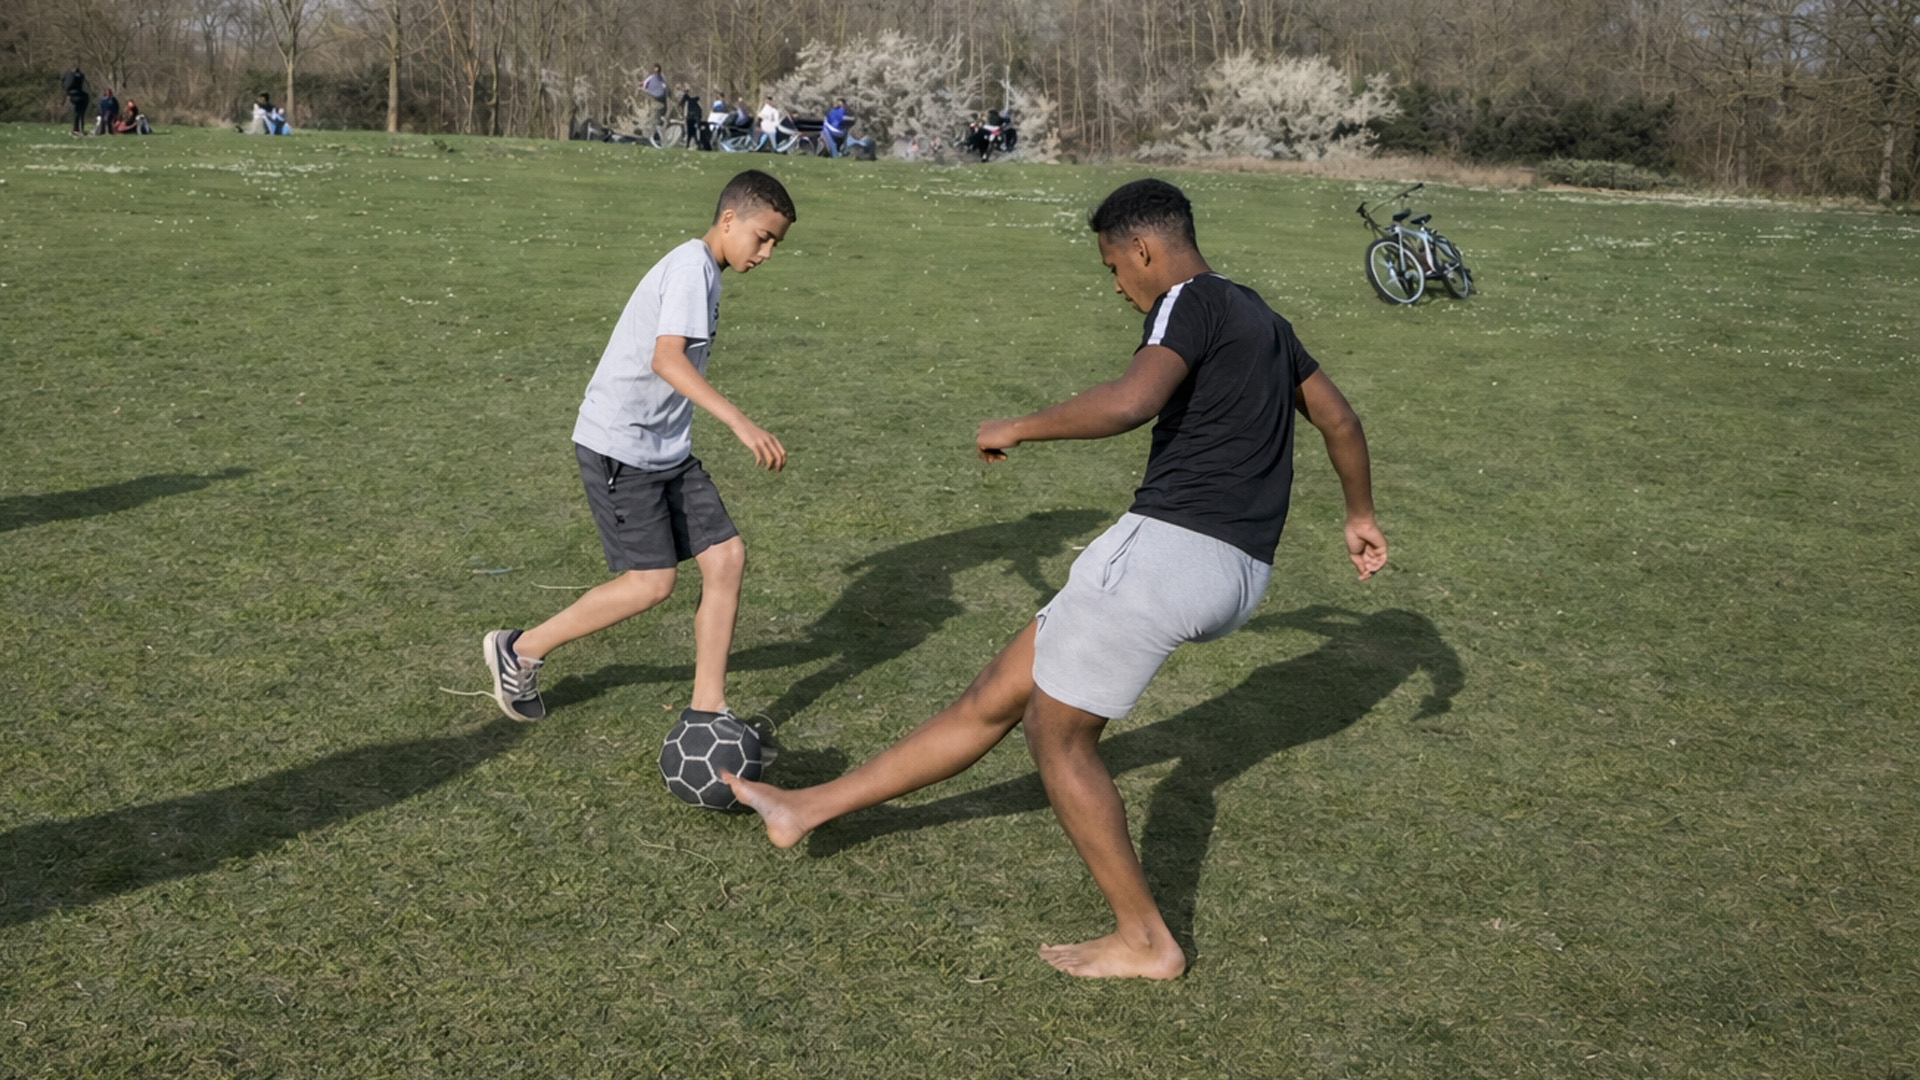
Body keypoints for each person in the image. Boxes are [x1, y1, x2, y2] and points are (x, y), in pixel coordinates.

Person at [724, 178, 1388, 981]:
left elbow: (1129, 402)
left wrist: (1016, 426)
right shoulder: (1265, 319)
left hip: (1168, 554)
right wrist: (1359, 516)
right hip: (1241, 570)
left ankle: (1146, 939)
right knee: (998, 692)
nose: (1118, 286)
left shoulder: (1186, 299)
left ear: (1145, 249)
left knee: (1055, 733)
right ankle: (805, 808)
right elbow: (1340, 418)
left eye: (1114, 266)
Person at [482, 170, 797, 728]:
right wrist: (741, 423)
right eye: (763, 237)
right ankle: (521, 648)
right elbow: (666, 359)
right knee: (651, 585)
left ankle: (708, 711)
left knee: (725, 558)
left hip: (666, 450)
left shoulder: (706, 272)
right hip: (620, 447)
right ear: (729, 220)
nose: (767, 253)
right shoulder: (689, 270)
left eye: (776, 243)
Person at [62, 66, 90, 136]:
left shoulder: (69, 75)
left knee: (76, 114)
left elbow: (66, 85)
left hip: (74, 96)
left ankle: (76, 129)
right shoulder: (81, 76)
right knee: (81, 114)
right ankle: (81, 129)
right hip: (83, 96)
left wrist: (67, 92)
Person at [642, 66, 668, 134]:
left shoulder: (662, 79)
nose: (656, 73)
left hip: (660, 103)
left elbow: (664, 90)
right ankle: (651, 133)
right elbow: (644, 84)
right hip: (654, 103)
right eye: (655, 71)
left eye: (657, 71)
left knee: (657, 120)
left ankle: (656, 134)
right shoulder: (651, 78)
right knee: (654, 119)